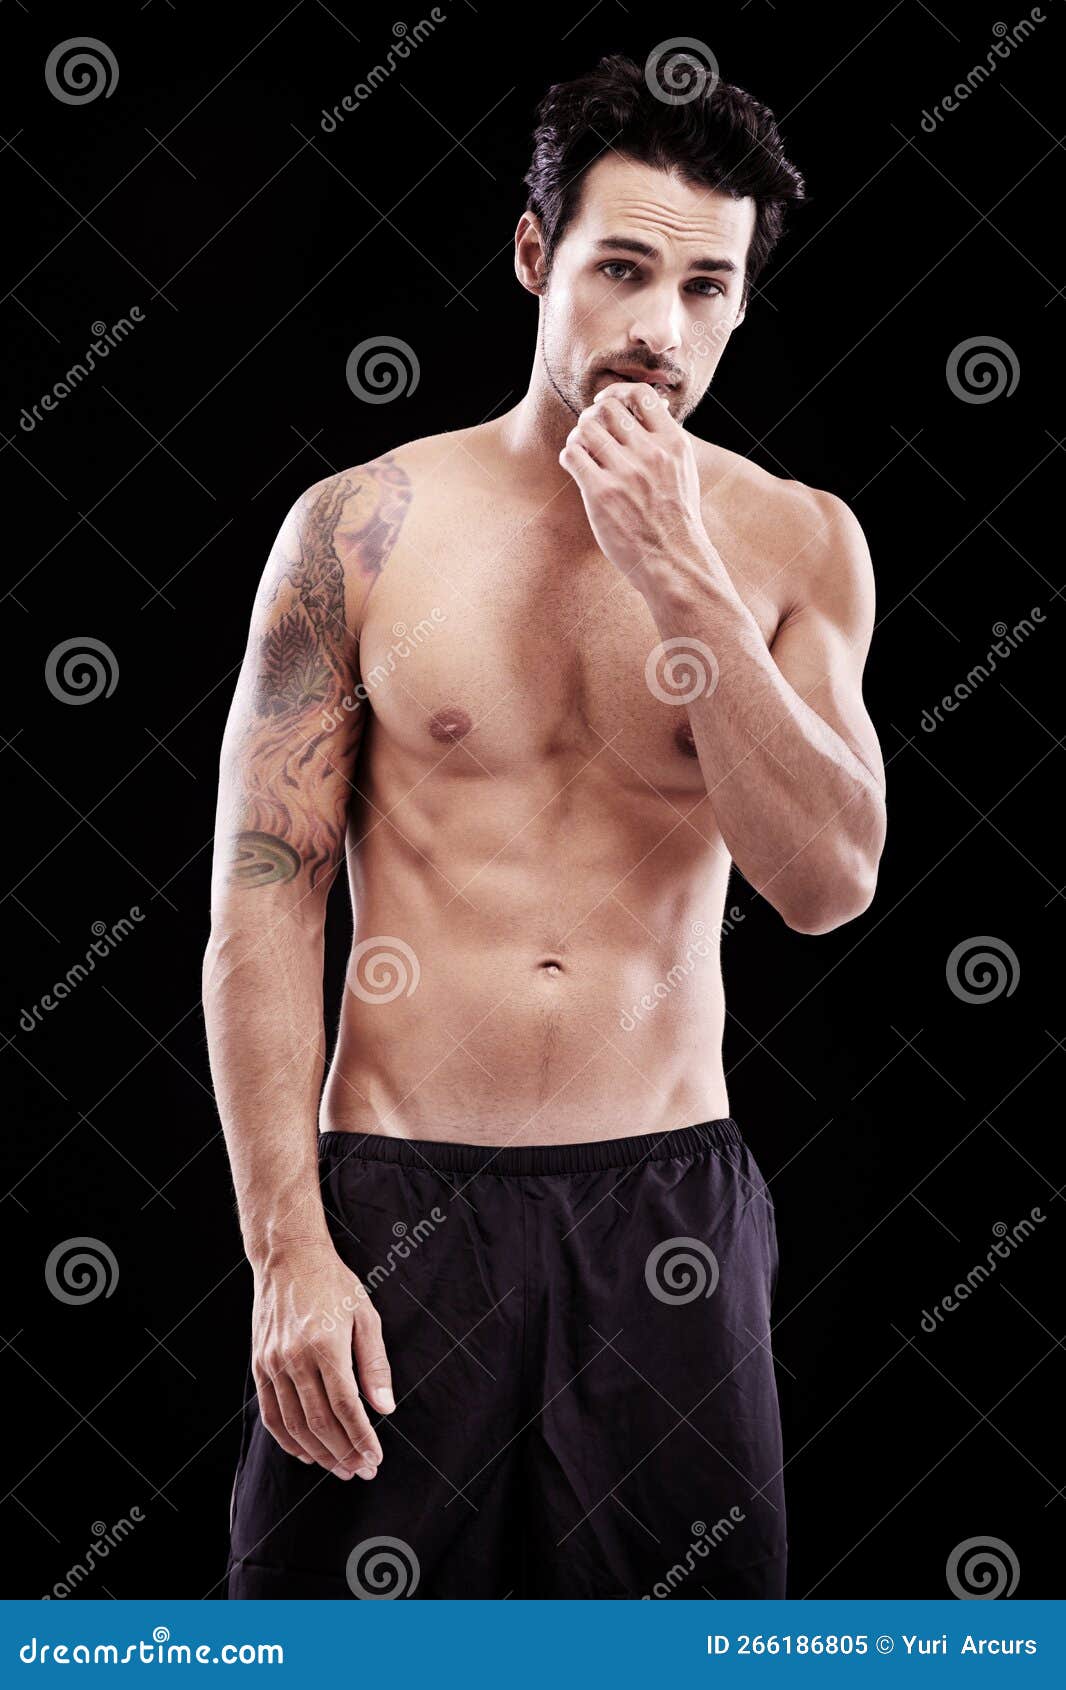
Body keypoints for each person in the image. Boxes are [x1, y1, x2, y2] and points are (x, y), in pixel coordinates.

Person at [205, 51, 887, 1599]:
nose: (661, 327)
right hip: (393, 1200)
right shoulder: (360, 528)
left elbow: (828, 878)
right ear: (534, 257)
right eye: (623, 267)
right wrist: (285, 1250)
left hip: (666, 1211)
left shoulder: (795, 543)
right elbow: (264, 898)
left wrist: (681, 575)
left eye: (708, 286)